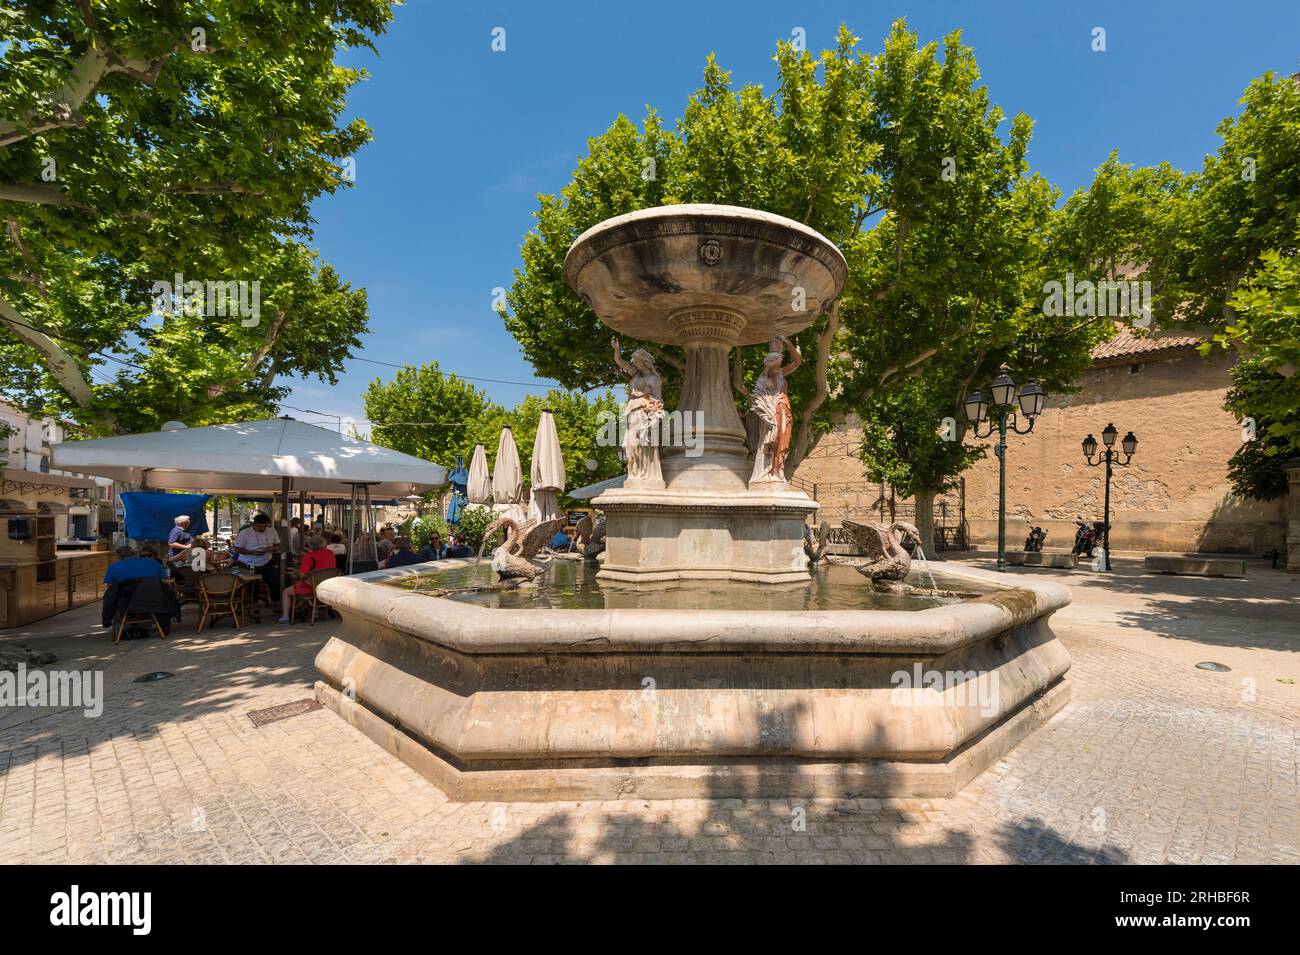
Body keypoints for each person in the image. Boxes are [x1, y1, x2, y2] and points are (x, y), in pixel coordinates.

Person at [277, 534, 336, 623]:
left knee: (286, 591)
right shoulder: (330, 553)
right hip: (328, 585)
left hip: (312, 587)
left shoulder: (309, 556)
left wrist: (296, 570)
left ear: (310, 545)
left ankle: (285, 616)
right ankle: (313, 610)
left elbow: (302, 575)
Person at [232, 512, 281, 601]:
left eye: (265, 526)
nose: (262, 528)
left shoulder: (272, 531)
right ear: (254, 524)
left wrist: (272, 549)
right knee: (250, 584)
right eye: (260, 526)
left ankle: (275, 602)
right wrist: (251, 552)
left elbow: (278, 545)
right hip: (247, 563)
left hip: (266, 562)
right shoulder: (244, 533)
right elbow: (237, 549)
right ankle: (251, 602)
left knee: (275, 581)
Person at [104, 544, 169, 585]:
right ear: (134, 553)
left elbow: (109, 585)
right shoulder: (154, 563)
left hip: (125, 601)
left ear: (119, 557)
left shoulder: (114, 567)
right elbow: (165, 579)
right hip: (152, 598)